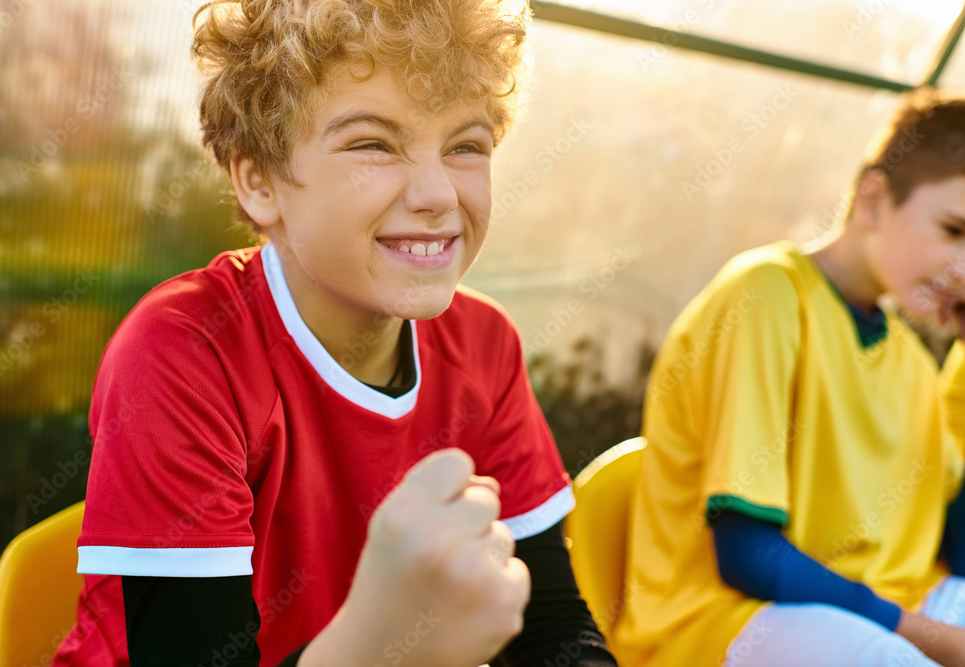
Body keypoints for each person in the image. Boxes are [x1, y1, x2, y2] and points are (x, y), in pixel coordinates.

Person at [51, 1, 616, 665]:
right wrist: (380, 641)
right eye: (374, 143)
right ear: (259, 180)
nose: (438, 193)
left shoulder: (486, 343)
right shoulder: (181, 351)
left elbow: (552, 624)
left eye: (466, 145)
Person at [614, 90, 965, 667]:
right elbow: (747, 555)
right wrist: (932, 639)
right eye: (953, 230)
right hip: (726, 622)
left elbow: (955, 544)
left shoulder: (912, 363)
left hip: (883, 611)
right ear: (873, 200)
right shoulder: (766, 294)